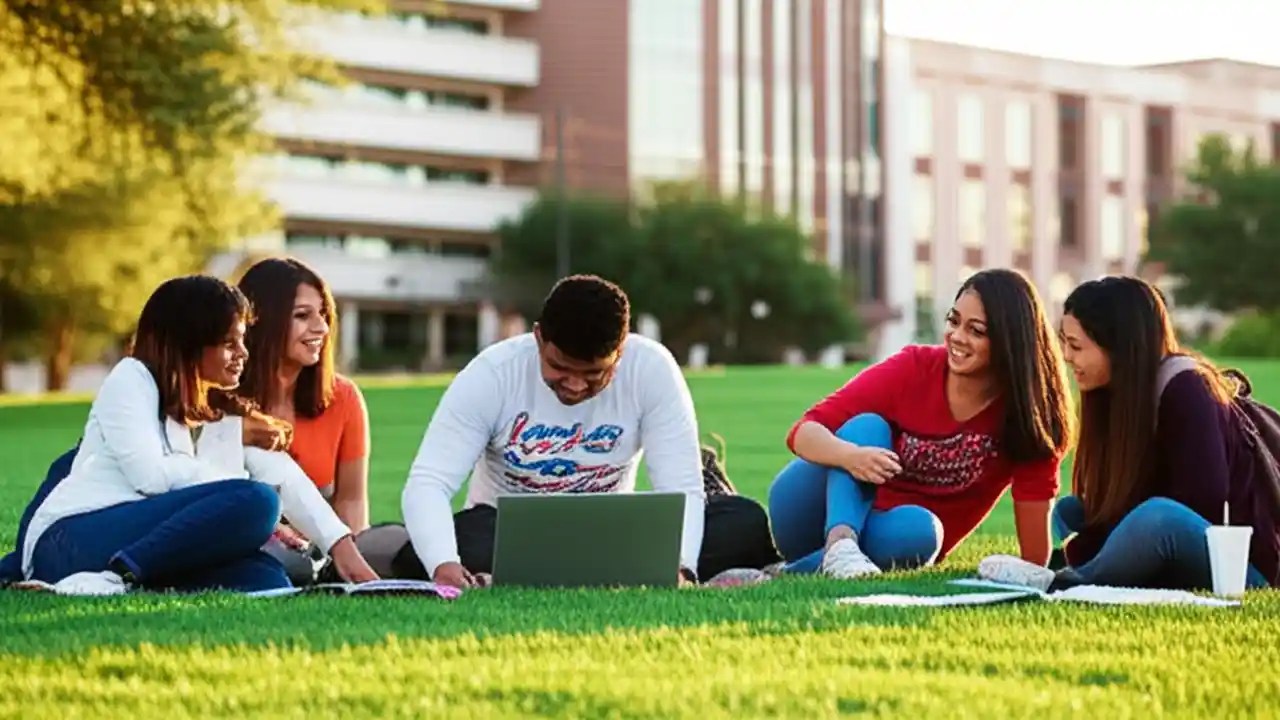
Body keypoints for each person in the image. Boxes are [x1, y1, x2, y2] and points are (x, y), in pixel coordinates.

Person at [389, 274, 781, 588]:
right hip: (506, 533)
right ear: (539, 338)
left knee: (741, 522)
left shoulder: (652, 369)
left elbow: (680, 486)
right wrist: (444, 565)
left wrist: (681, 569)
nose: (575, 386)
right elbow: (429, 483)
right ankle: (607, 574)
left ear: (620, 353)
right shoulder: (493, 374)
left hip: (615, 532)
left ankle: (572, 573)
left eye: (594, 374)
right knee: (424, 552)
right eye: (560, 368)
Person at [16, 275, 378, 595]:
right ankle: (116, 577)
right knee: (259, 503)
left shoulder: (207, 410)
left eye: (243, 341)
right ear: (191, 344)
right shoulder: (132, 379)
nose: (242, 354)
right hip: (68, 540)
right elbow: (152, 477)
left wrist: (340, 545)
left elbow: (279, 472)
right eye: (229, 343)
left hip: (138, 538)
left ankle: (132, 578)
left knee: (265, 577)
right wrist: (235, 494)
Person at [767, 268, 1075, 579]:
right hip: (810, 510)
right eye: (954, 321)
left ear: (1011, 341)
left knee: (922, 531)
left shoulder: (1029, 418)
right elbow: (803, 431)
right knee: (868, 427)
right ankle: (840, 546)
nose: (957, 336)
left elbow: (1035, 559)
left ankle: (783, 573)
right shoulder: (912, 369)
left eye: (976, 330)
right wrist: (851, 457)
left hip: (896, 537)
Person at [979, 276, 1278, 591]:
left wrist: (1100, 544)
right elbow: (1120, 502)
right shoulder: (1120, 397)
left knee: (1156, 518)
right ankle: (1078, 567)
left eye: (1076, 345)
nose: (1066, 356)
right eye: (1064, 342)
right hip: (1166, 537)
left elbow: (1200, 508)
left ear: (1118, 346)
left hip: (1238, 568)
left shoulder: (1186, 388)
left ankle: (1068, 582)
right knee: (1073, 510)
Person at [234, 257, 371, 583]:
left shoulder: (344, 398)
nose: (321, 327)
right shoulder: (221, 399)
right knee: (287, 565)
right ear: (261, 321)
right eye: (302, 316)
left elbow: (351, 500)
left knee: (396, 544)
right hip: (252, 546)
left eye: (323, 314)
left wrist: (345, 559)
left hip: (327, 549)